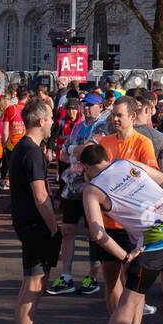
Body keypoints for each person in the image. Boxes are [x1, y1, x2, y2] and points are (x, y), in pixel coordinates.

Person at [63, 145, 163, 324]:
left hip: (153, 241)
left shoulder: (92, 189)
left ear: (86, 167)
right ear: (107, 158)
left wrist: (124, 256)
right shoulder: (128, 163)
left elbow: (98, 234)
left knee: (128, 302)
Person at [8, 100, 61, 324]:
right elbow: (41, 195)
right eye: (50, 117)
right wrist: (53, 227)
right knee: (33, 285)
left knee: (35, 285)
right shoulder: (30, 151)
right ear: (40, 121)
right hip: (34, 226)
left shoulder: (27, 149)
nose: (53, 122)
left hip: (29, 224)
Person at [96, 100, 159, 322]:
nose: (114, 119)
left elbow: (152, 179)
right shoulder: (104, 142)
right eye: (113, 114)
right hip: (107, 221)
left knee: (133, 281)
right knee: (111, 279)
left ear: (132, 117)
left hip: (132, 224)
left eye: (119, 115)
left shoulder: (143, 143)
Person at [47, 96, 107, 297]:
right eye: (85, 104)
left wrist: (73, 151)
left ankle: (92, 276)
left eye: (91, 105)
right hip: (72, 187)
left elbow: (89, 151)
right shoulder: (77, 127)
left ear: (100, 107)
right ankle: (66, 276)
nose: (87, 108)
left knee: (93, 234)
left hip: (92, 187)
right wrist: (75, 152)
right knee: (68, 230)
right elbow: (63, 154)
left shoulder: (103, 126)